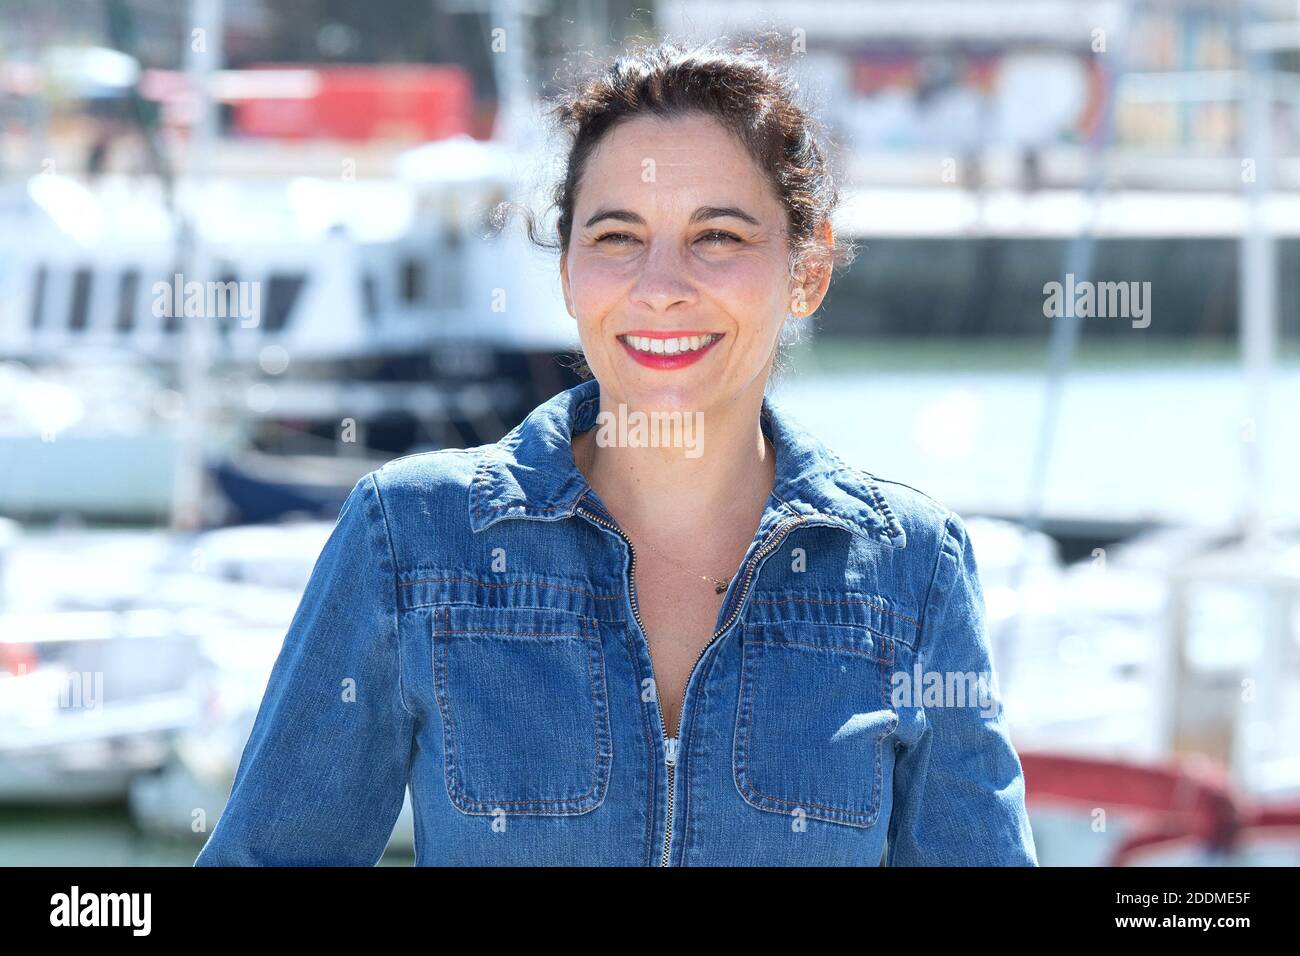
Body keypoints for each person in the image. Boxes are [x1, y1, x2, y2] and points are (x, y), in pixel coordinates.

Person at [194, 36, 1038, 867]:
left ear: (807, 270)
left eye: (718, 236)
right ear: (566, 271)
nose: (661, 286)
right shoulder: (408, 538)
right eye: (616, 237)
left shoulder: (914, 570)